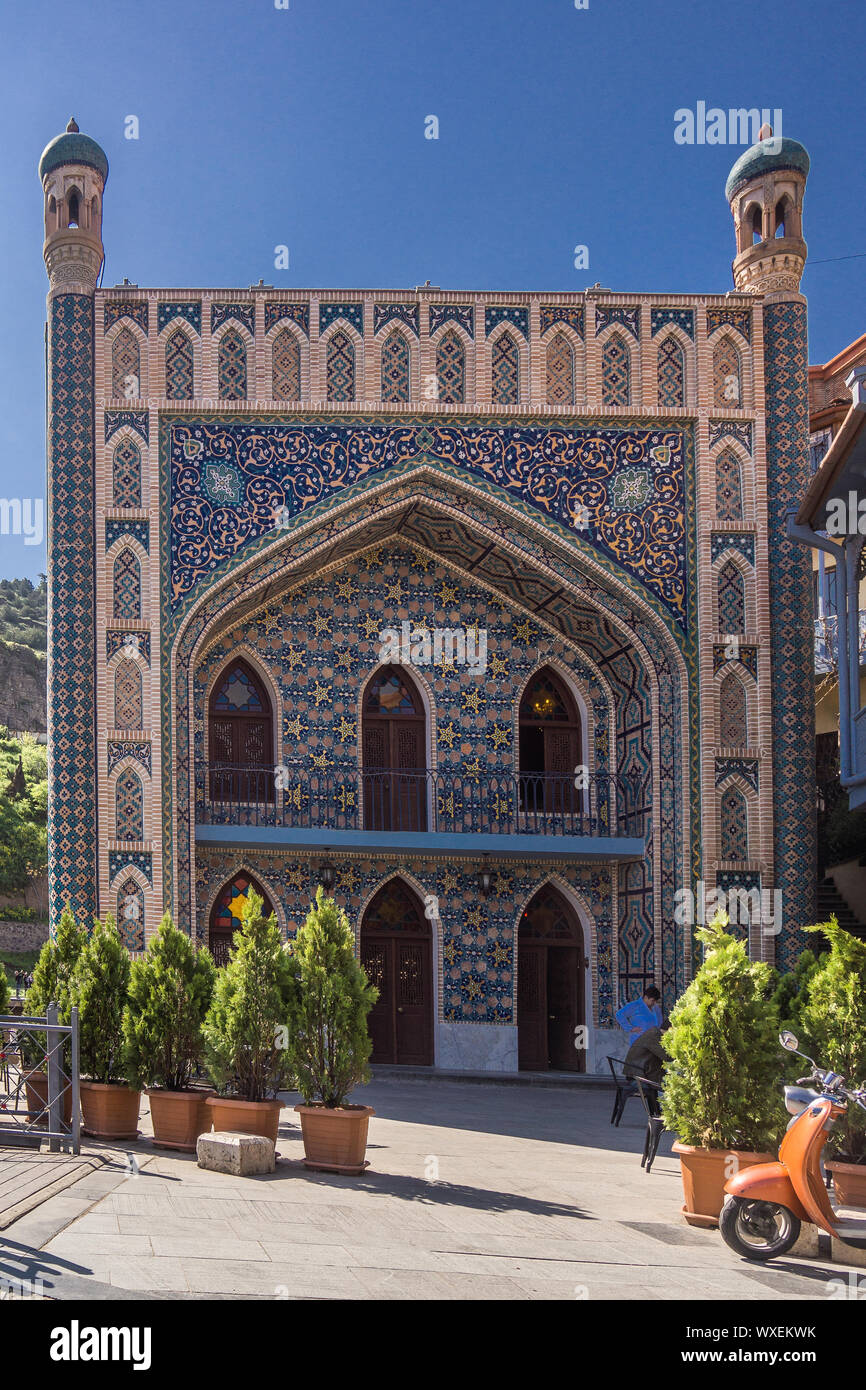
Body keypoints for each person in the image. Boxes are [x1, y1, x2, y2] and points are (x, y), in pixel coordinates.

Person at [622, 1022, 668, 1115]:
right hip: (639, 1078)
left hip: (641, 1073)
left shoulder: (654, 1033)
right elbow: (667, 1057)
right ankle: (665, 1114)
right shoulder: (653, 1036)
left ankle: (660, 1112)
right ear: (670, 1029)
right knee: (670, 1085)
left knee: (668, 1079)